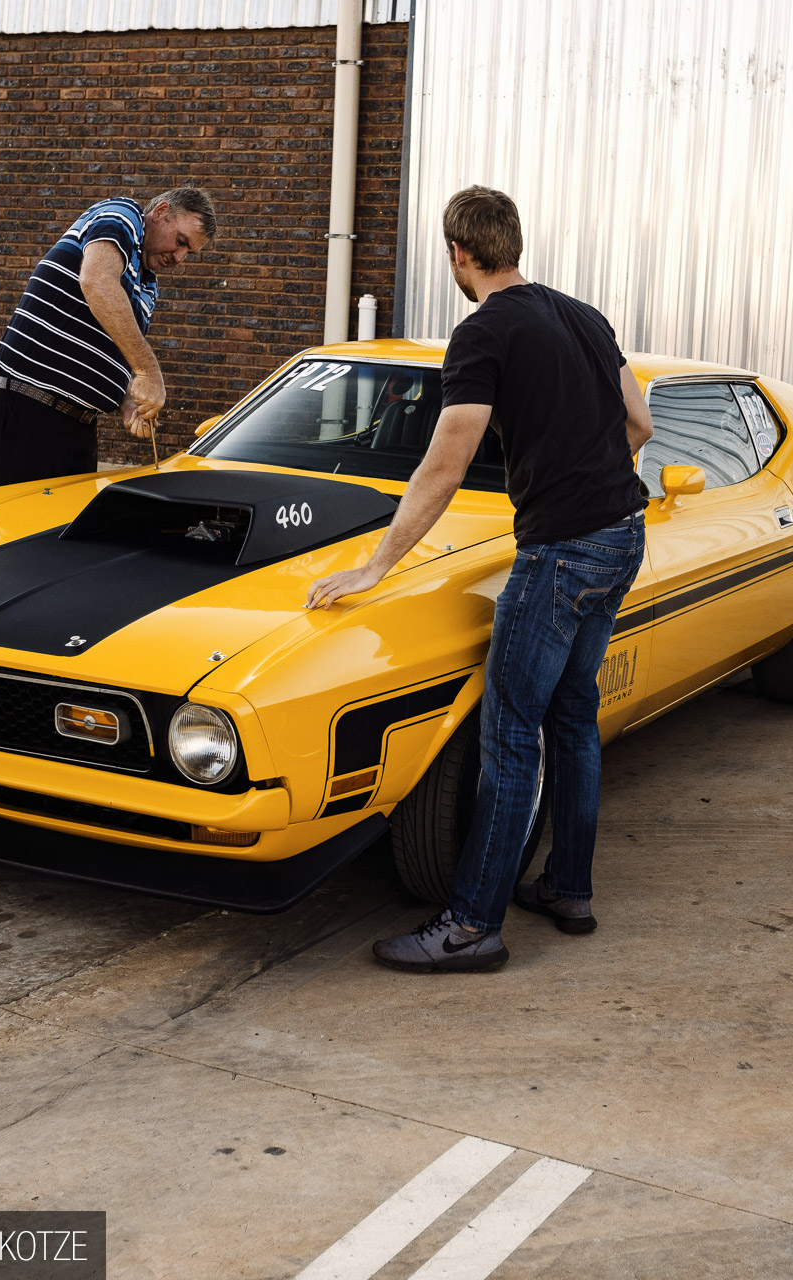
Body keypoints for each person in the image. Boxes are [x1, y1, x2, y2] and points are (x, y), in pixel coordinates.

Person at [305, 185, 655, 973]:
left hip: (562, 553)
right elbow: (641, 424)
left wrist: (376, 563)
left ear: (458, 253)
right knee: (572, 715)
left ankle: (470, 926)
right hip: (622, 534)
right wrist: (590, 479)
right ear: (514, 244)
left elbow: (446, 460)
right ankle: (569, 890)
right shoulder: (583, 315)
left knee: (507, 736)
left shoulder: (483, 332)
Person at [0, 187, 217, 488]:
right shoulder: (124, 214)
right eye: (180, 241)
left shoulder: (148, 284)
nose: (180, 257)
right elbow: (96, 280)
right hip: (29, 408)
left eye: (189, 253)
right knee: (16, 530)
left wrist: (128, 401)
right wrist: (149, 371)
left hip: (80, 425)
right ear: (160, 212)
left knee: (62, 531)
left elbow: (110, 351)